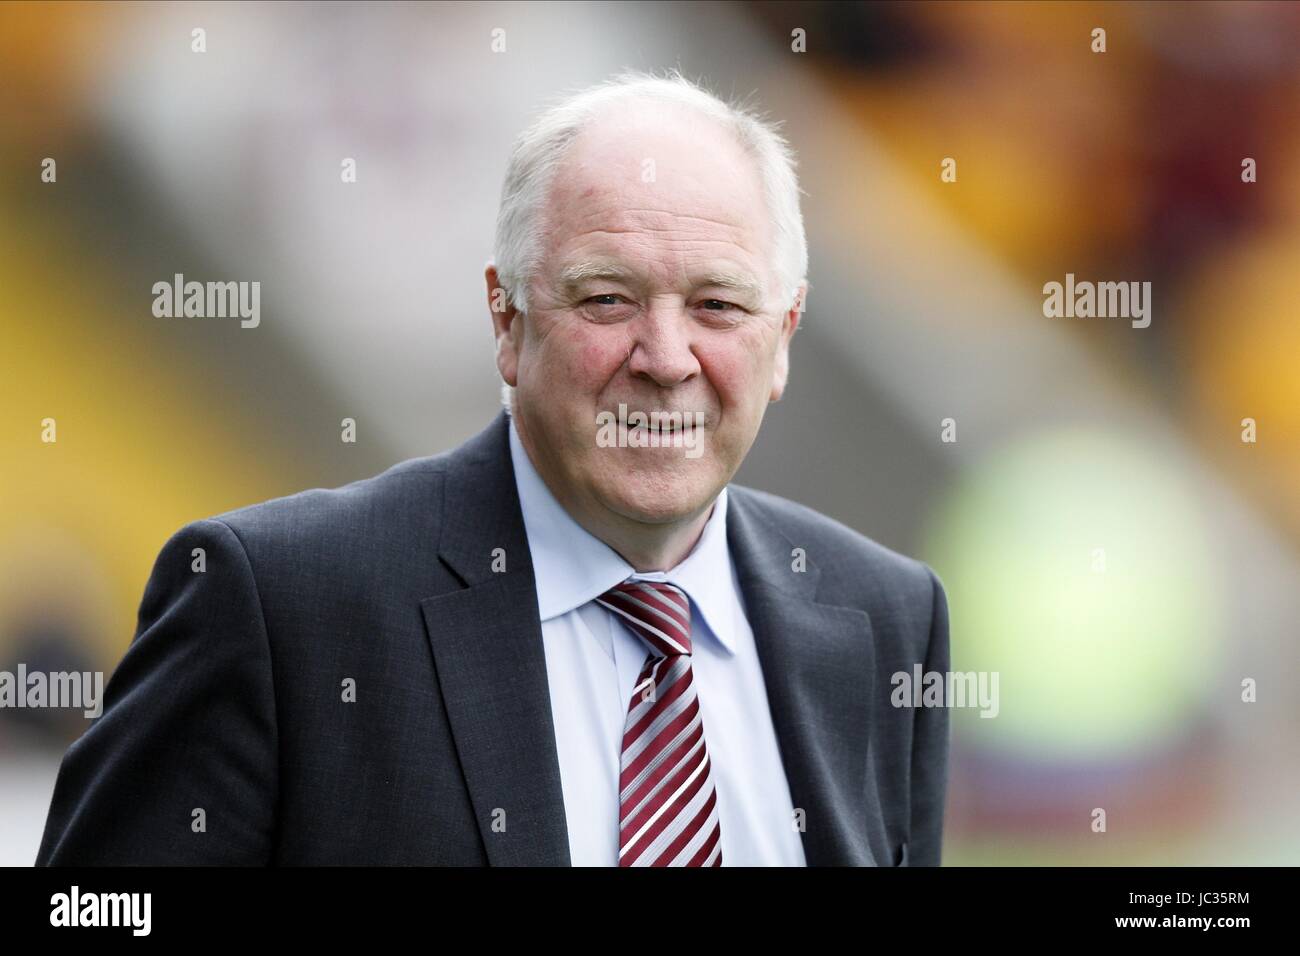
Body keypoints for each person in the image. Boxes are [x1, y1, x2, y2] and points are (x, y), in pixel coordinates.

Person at [37, 69, 949, 867]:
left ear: (783, 336)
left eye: (717, 305)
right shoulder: (279, 608)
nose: (667, 358)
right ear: (506, 319)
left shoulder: (887, 622)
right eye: (607, 298)